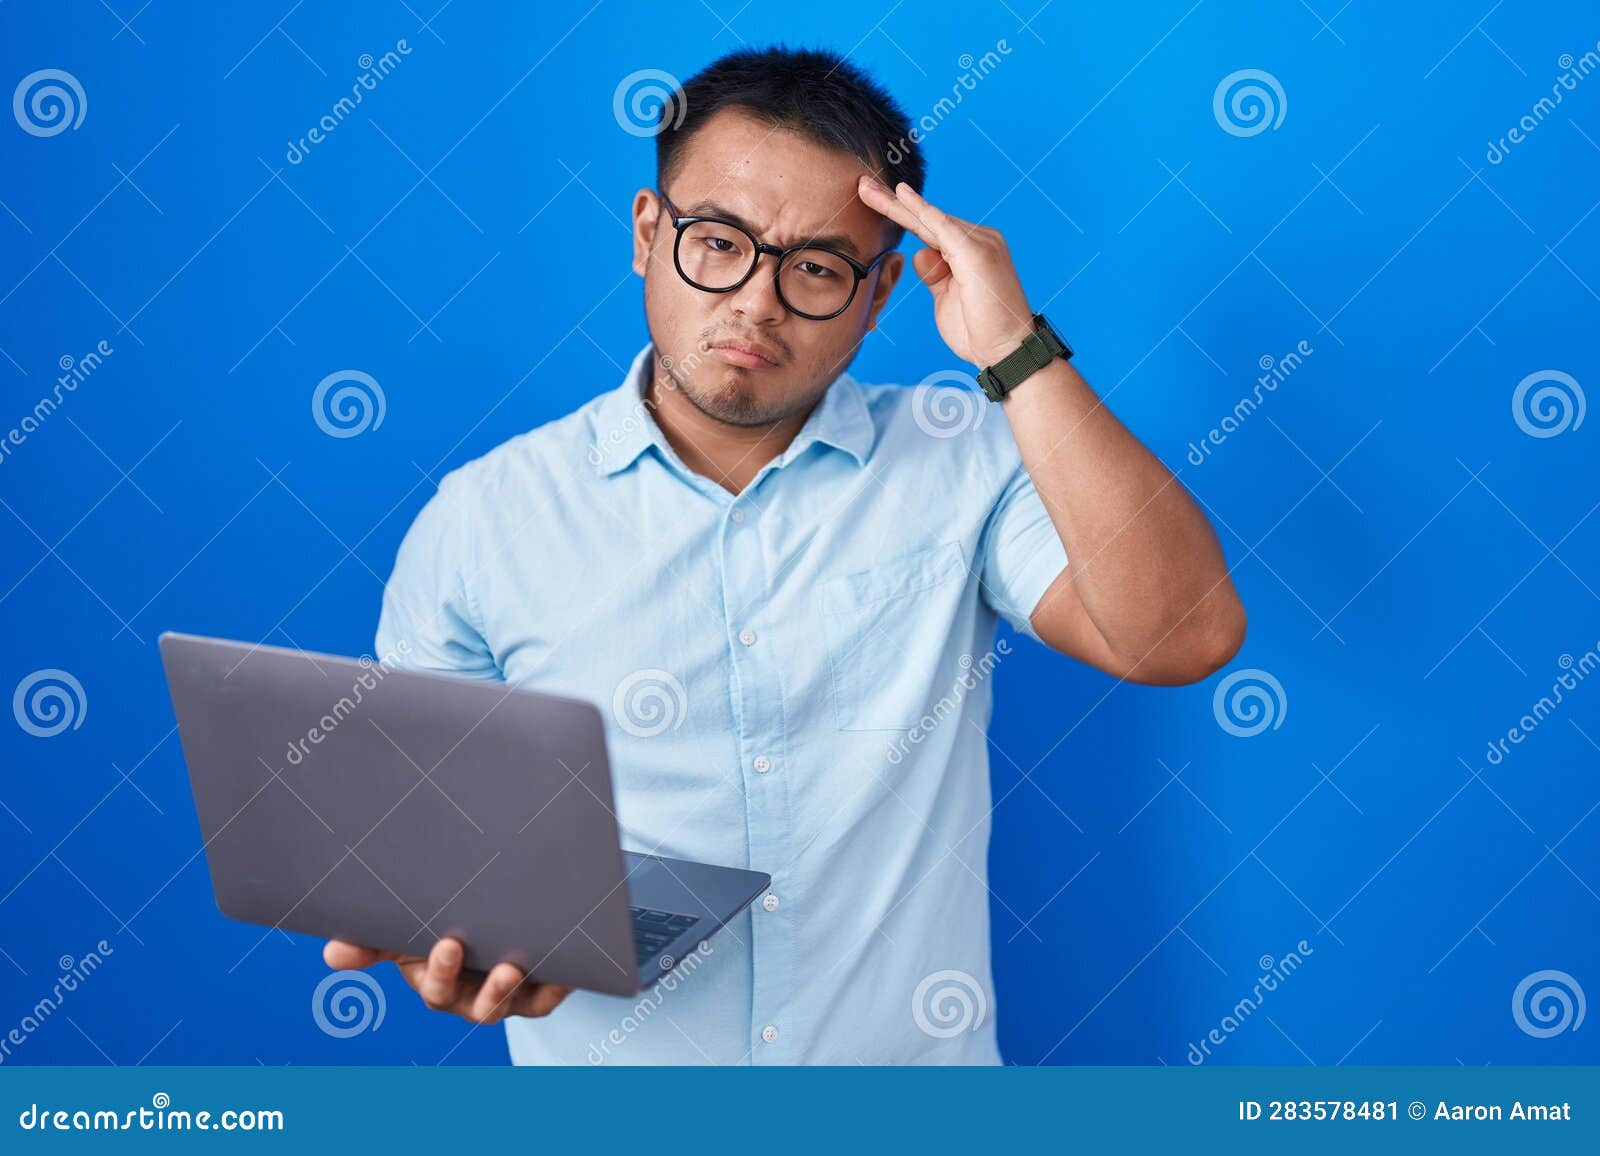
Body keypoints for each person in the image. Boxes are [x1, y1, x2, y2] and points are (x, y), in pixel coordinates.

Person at [324, 45, 1246, 1064]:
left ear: (880, 290)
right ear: (646, 232)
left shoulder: (963, 456)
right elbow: (431, 849)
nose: (757, 303)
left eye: (815, 267)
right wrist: (453, 939)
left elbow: (1183, 634)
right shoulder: (483, 518)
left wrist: (1012, 348)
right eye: (718, 242)